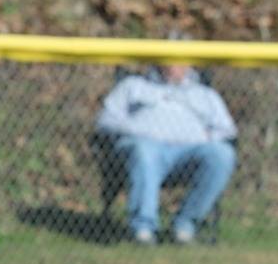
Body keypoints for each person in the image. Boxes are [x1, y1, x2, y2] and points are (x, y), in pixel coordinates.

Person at [95, 62, 238, 245]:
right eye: (167, 61)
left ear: (189, 65)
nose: (172, 67)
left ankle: (184, 225)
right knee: (143, 151)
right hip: (144, 149)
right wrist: (137, 130)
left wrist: (207, 136)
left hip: (189, 153)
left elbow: (228, 130)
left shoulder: (204, 94)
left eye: (178, 62)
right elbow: (105, 120)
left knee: (222, 154)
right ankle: (143, 228)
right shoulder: (133, 86)